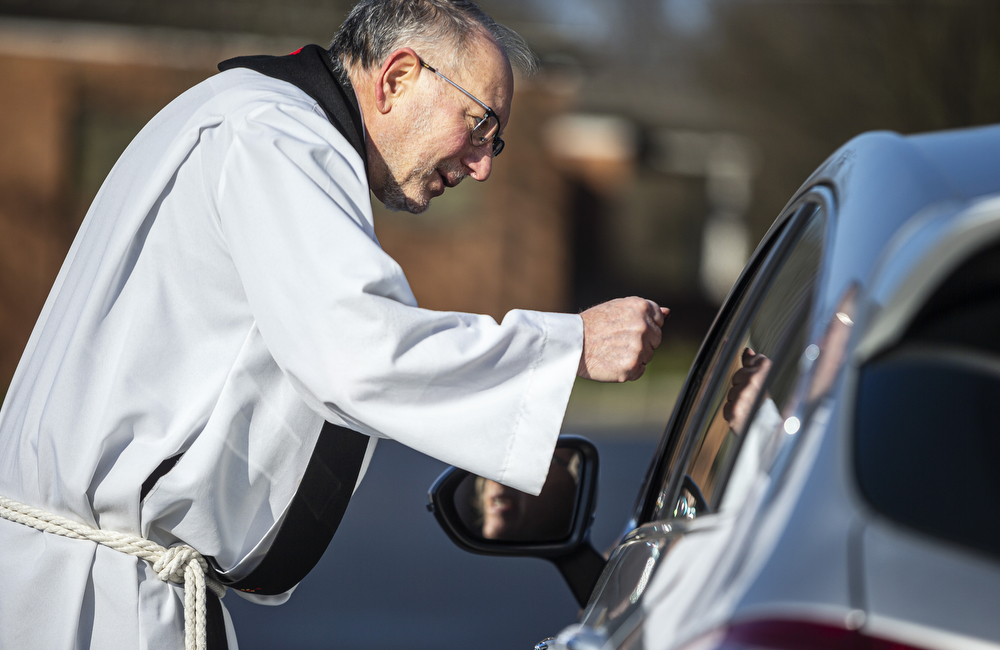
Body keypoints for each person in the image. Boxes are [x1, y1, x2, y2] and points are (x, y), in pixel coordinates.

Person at [0, 1, 668, 649]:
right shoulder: (276, 134)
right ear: (399, 76)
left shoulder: (240, 114)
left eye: (494, 142)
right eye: (478, 124)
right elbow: (356, 350)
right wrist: (571, 344)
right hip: (94, 607)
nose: (483, 165)